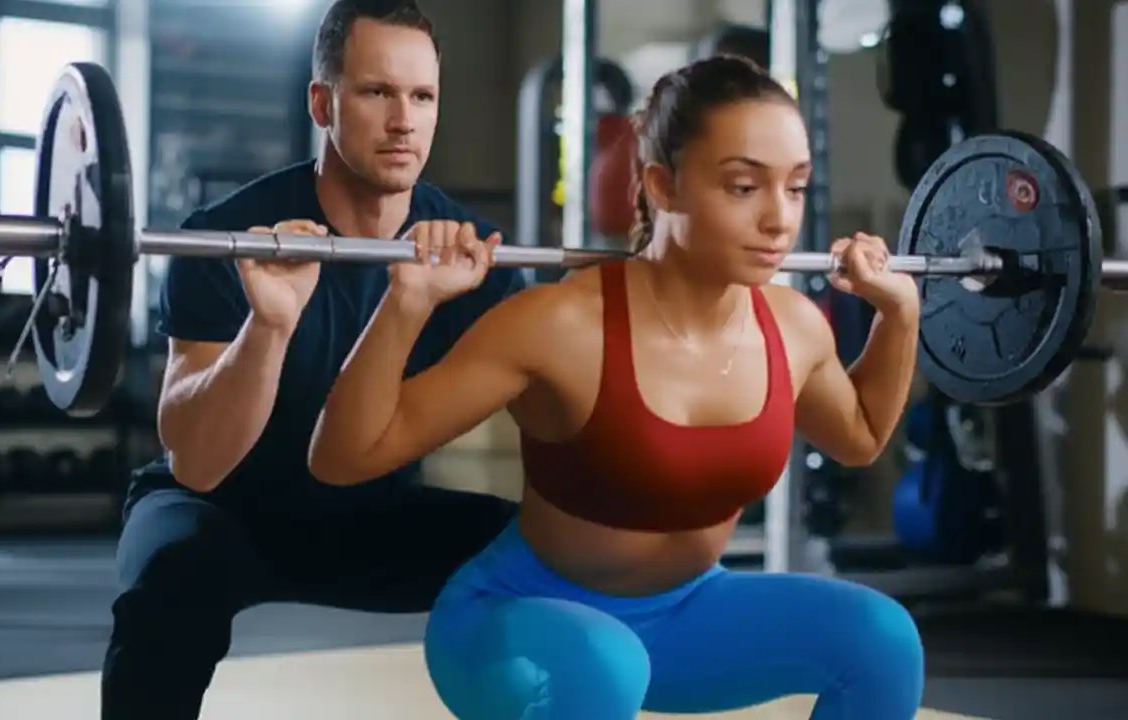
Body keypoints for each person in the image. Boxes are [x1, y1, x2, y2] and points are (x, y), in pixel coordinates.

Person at [309, 54, 925, 719]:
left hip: (685, 619)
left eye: (796, 187)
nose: (780, 219)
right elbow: (344, 457)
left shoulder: (795, 326)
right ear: (662, 186)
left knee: (882, 639)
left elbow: (860, 436)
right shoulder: (561, 324)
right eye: (745, 187)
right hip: (515, 622)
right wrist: (406, 303)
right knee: (607, 664)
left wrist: (900, 313)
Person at [100, 2, 525, 718]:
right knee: (169, 584)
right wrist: (268, 325)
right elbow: (197, 463)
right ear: (323, 104)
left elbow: (563, 382)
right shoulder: (229, 236)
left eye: (422, 96)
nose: (404, 121)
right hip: (219, 509)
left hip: (369, 512)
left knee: (550, 556)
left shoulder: (471, 255)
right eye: (377, 92)